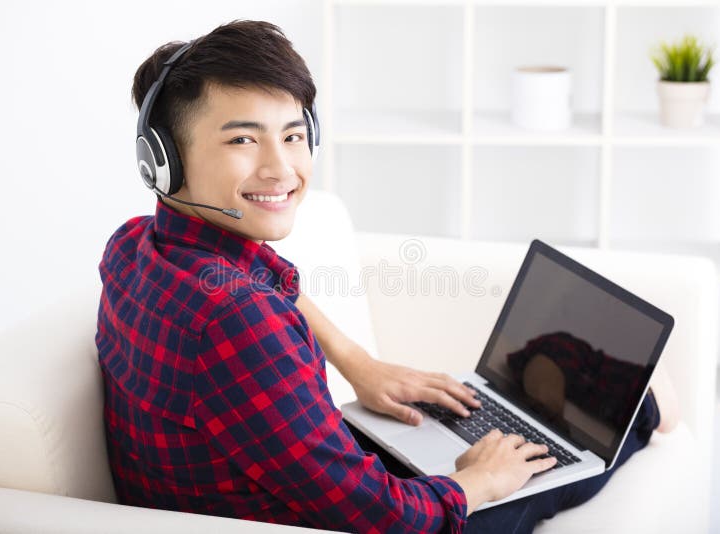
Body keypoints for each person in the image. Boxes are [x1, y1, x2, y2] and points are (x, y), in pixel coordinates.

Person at [96, 19, 679, 533]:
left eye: (294, 135)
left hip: (268, 484)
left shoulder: (134, 247)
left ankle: (577, 390)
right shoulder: (237, 321)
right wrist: (481, 482)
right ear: (165, 158)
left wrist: (359, 363)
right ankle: (647, 409)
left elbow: (270, 284)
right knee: (539, 465)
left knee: (535, 362)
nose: (281, 167)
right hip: (338, 523)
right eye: (243, 139)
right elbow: (389, 519)